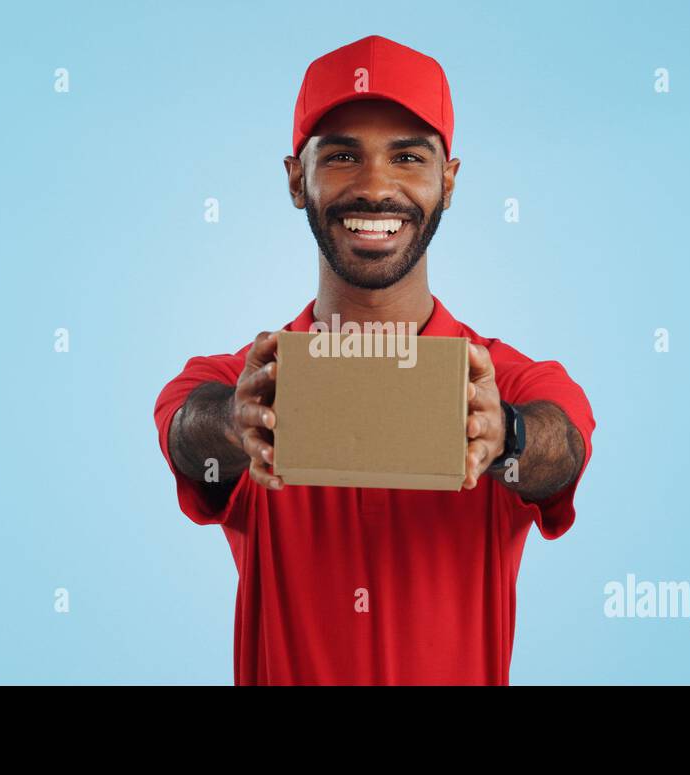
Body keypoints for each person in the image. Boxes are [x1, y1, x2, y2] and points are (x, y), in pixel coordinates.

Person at [154, 34, 596, 685]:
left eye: (408, 157)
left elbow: (562, 448)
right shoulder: (239, 381)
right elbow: (187, 431)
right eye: (340, 156)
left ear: (448, 181)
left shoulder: (511, 382)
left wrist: (507, 434)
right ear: (294, 180)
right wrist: (232, 422)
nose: (375, 187)